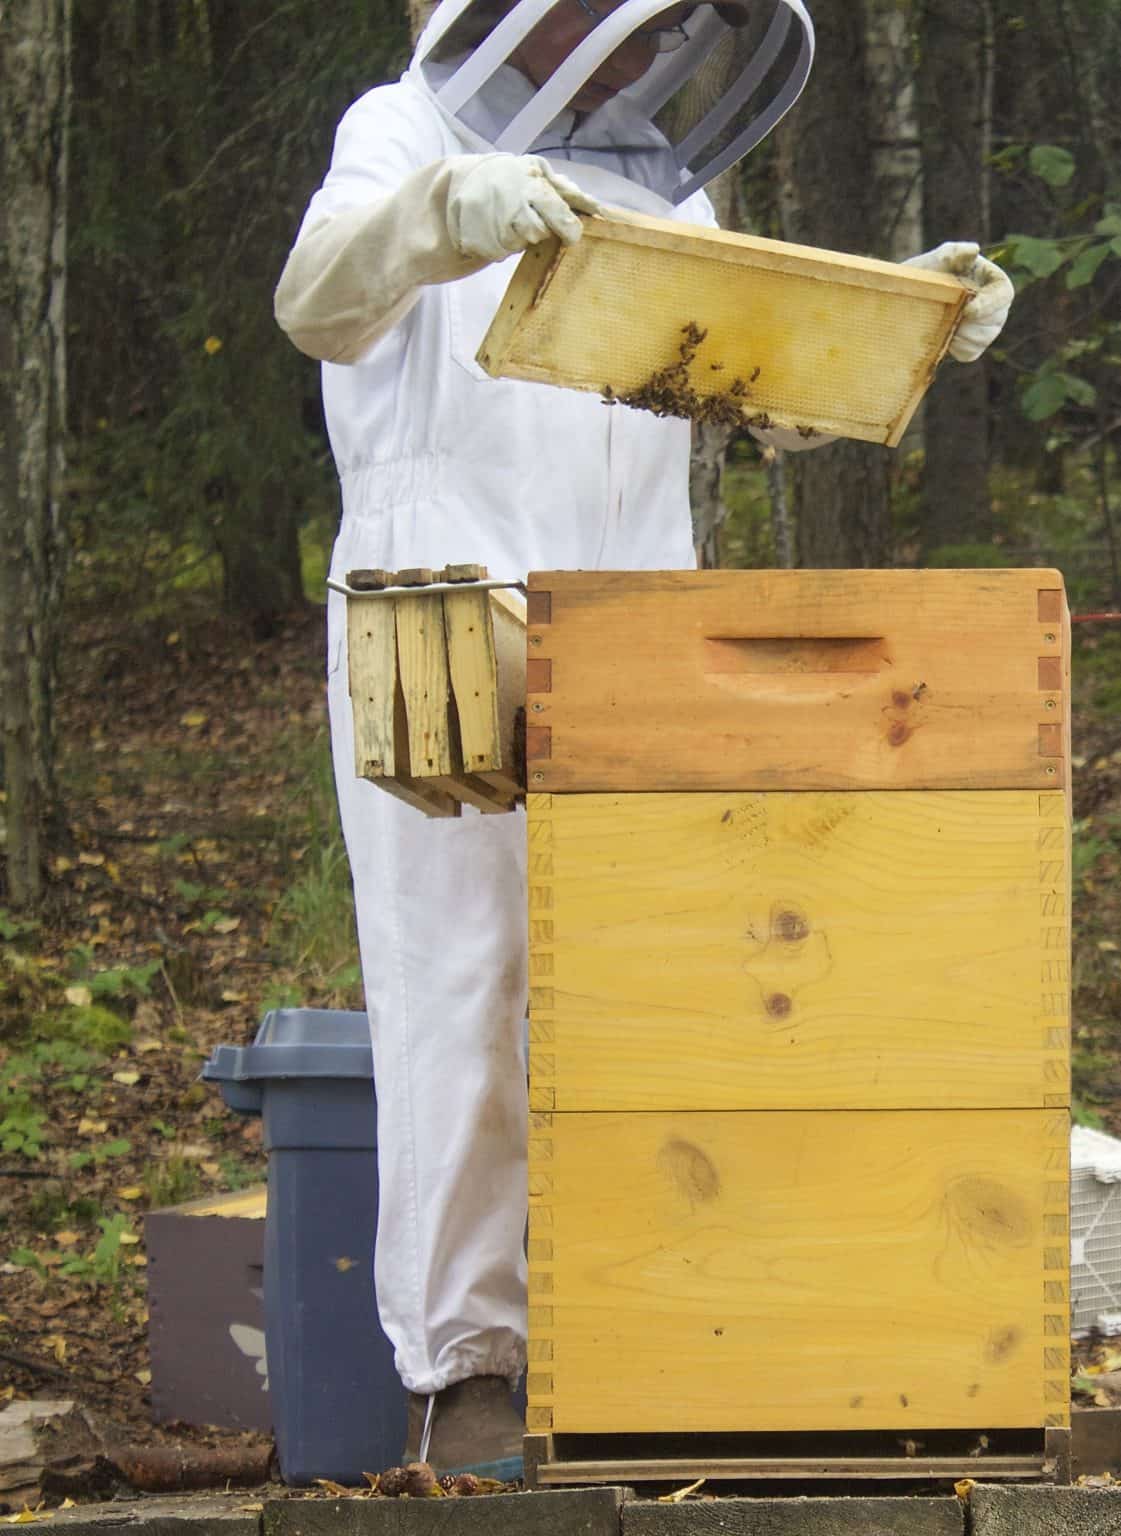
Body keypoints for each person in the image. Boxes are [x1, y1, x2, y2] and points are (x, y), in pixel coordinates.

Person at [274, 0, 1013, 1481]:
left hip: (641, 622)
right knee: (466, 994)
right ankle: (466, 1373)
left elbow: (759, 380)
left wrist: (898, 317)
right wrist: (435, 213)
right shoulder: (401, 127)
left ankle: (644, 1345)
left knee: (650, 992)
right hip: (446, 605)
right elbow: (315, 301)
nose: (644, 52)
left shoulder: (665, 184)